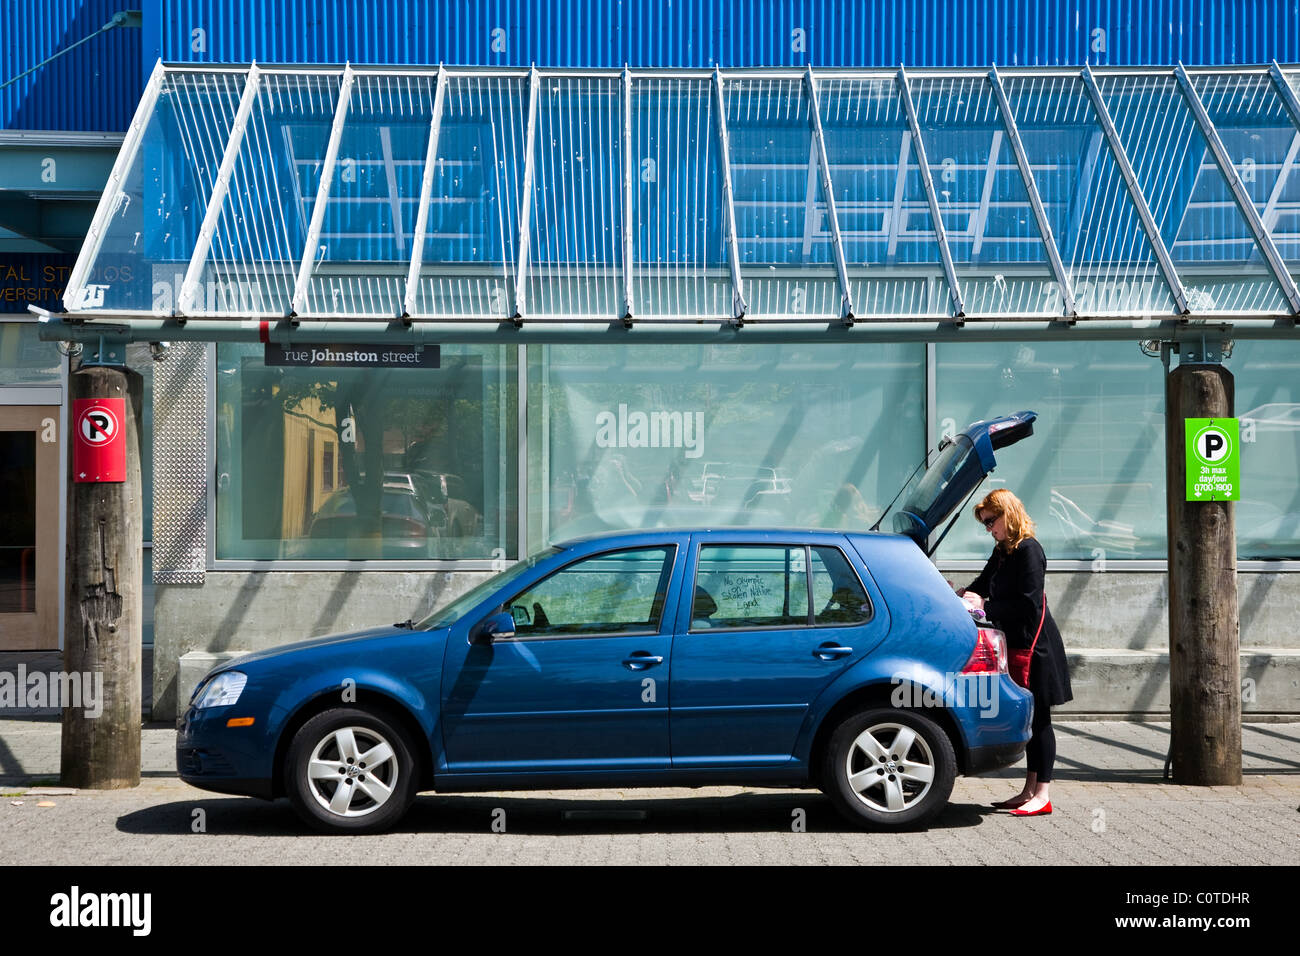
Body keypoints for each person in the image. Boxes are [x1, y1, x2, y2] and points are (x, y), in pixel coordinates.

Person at [957, 488, 1072, 817]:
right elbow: (984, 580)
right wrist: (965, 593)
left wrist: (986, 605)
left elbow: (1028, 604)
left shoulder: (1029, 551)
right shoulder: (1004, 550)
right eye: (985, 524)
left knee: (1041, 719)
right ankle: (1028, 790)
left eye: (991, 521)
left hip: (1037, 647)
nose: (989, 528)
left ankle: (1043, 794)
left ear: (1009, 514)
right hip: (1018, 643)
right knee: (1030, 717)